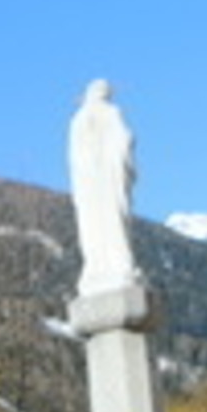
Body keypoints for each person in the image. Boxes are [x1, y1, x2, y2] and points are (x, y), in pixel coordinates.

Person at [67, 78, 140, 297]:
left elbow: (73, 160)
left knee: (93, 227)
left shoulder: (77, 120)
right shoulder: (111, 113)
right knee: (114, 222)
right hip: (108, 181)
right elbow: (124, 141)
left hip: (88, 186)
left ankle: (97, 268)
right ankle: (120, 267)